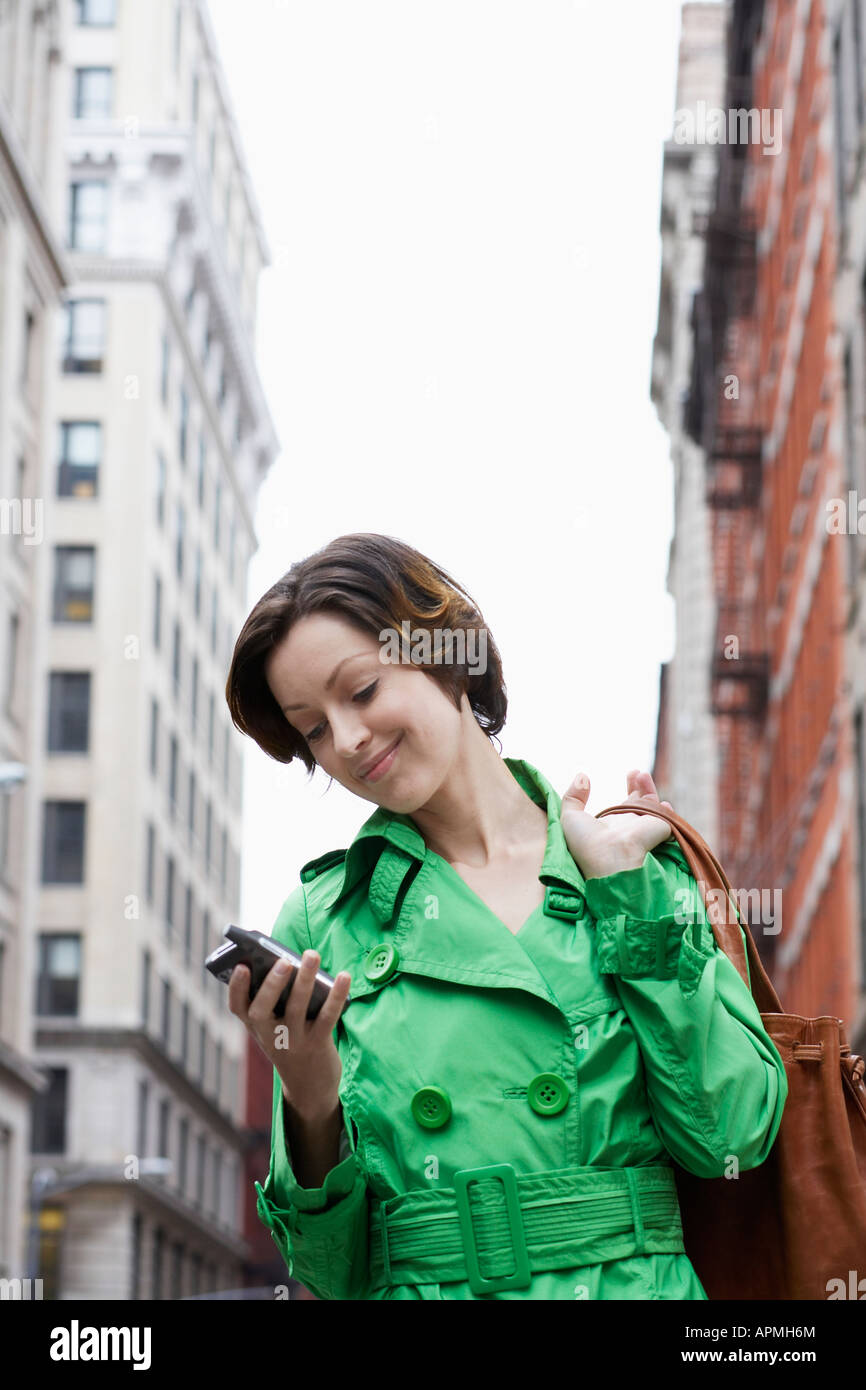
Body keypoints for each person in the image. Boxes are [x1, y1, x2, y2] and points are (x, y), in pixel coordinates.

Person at [223, 531, 788, 1301]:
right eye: (314, 728)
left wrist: (629, 892)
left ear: (447, 653)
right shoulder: (326, 919)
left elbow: (731, 1136)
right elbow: (330, 1273)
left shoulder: (624, 867)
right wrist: (310, 1095)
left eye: (360, 691)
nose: (347, 740)